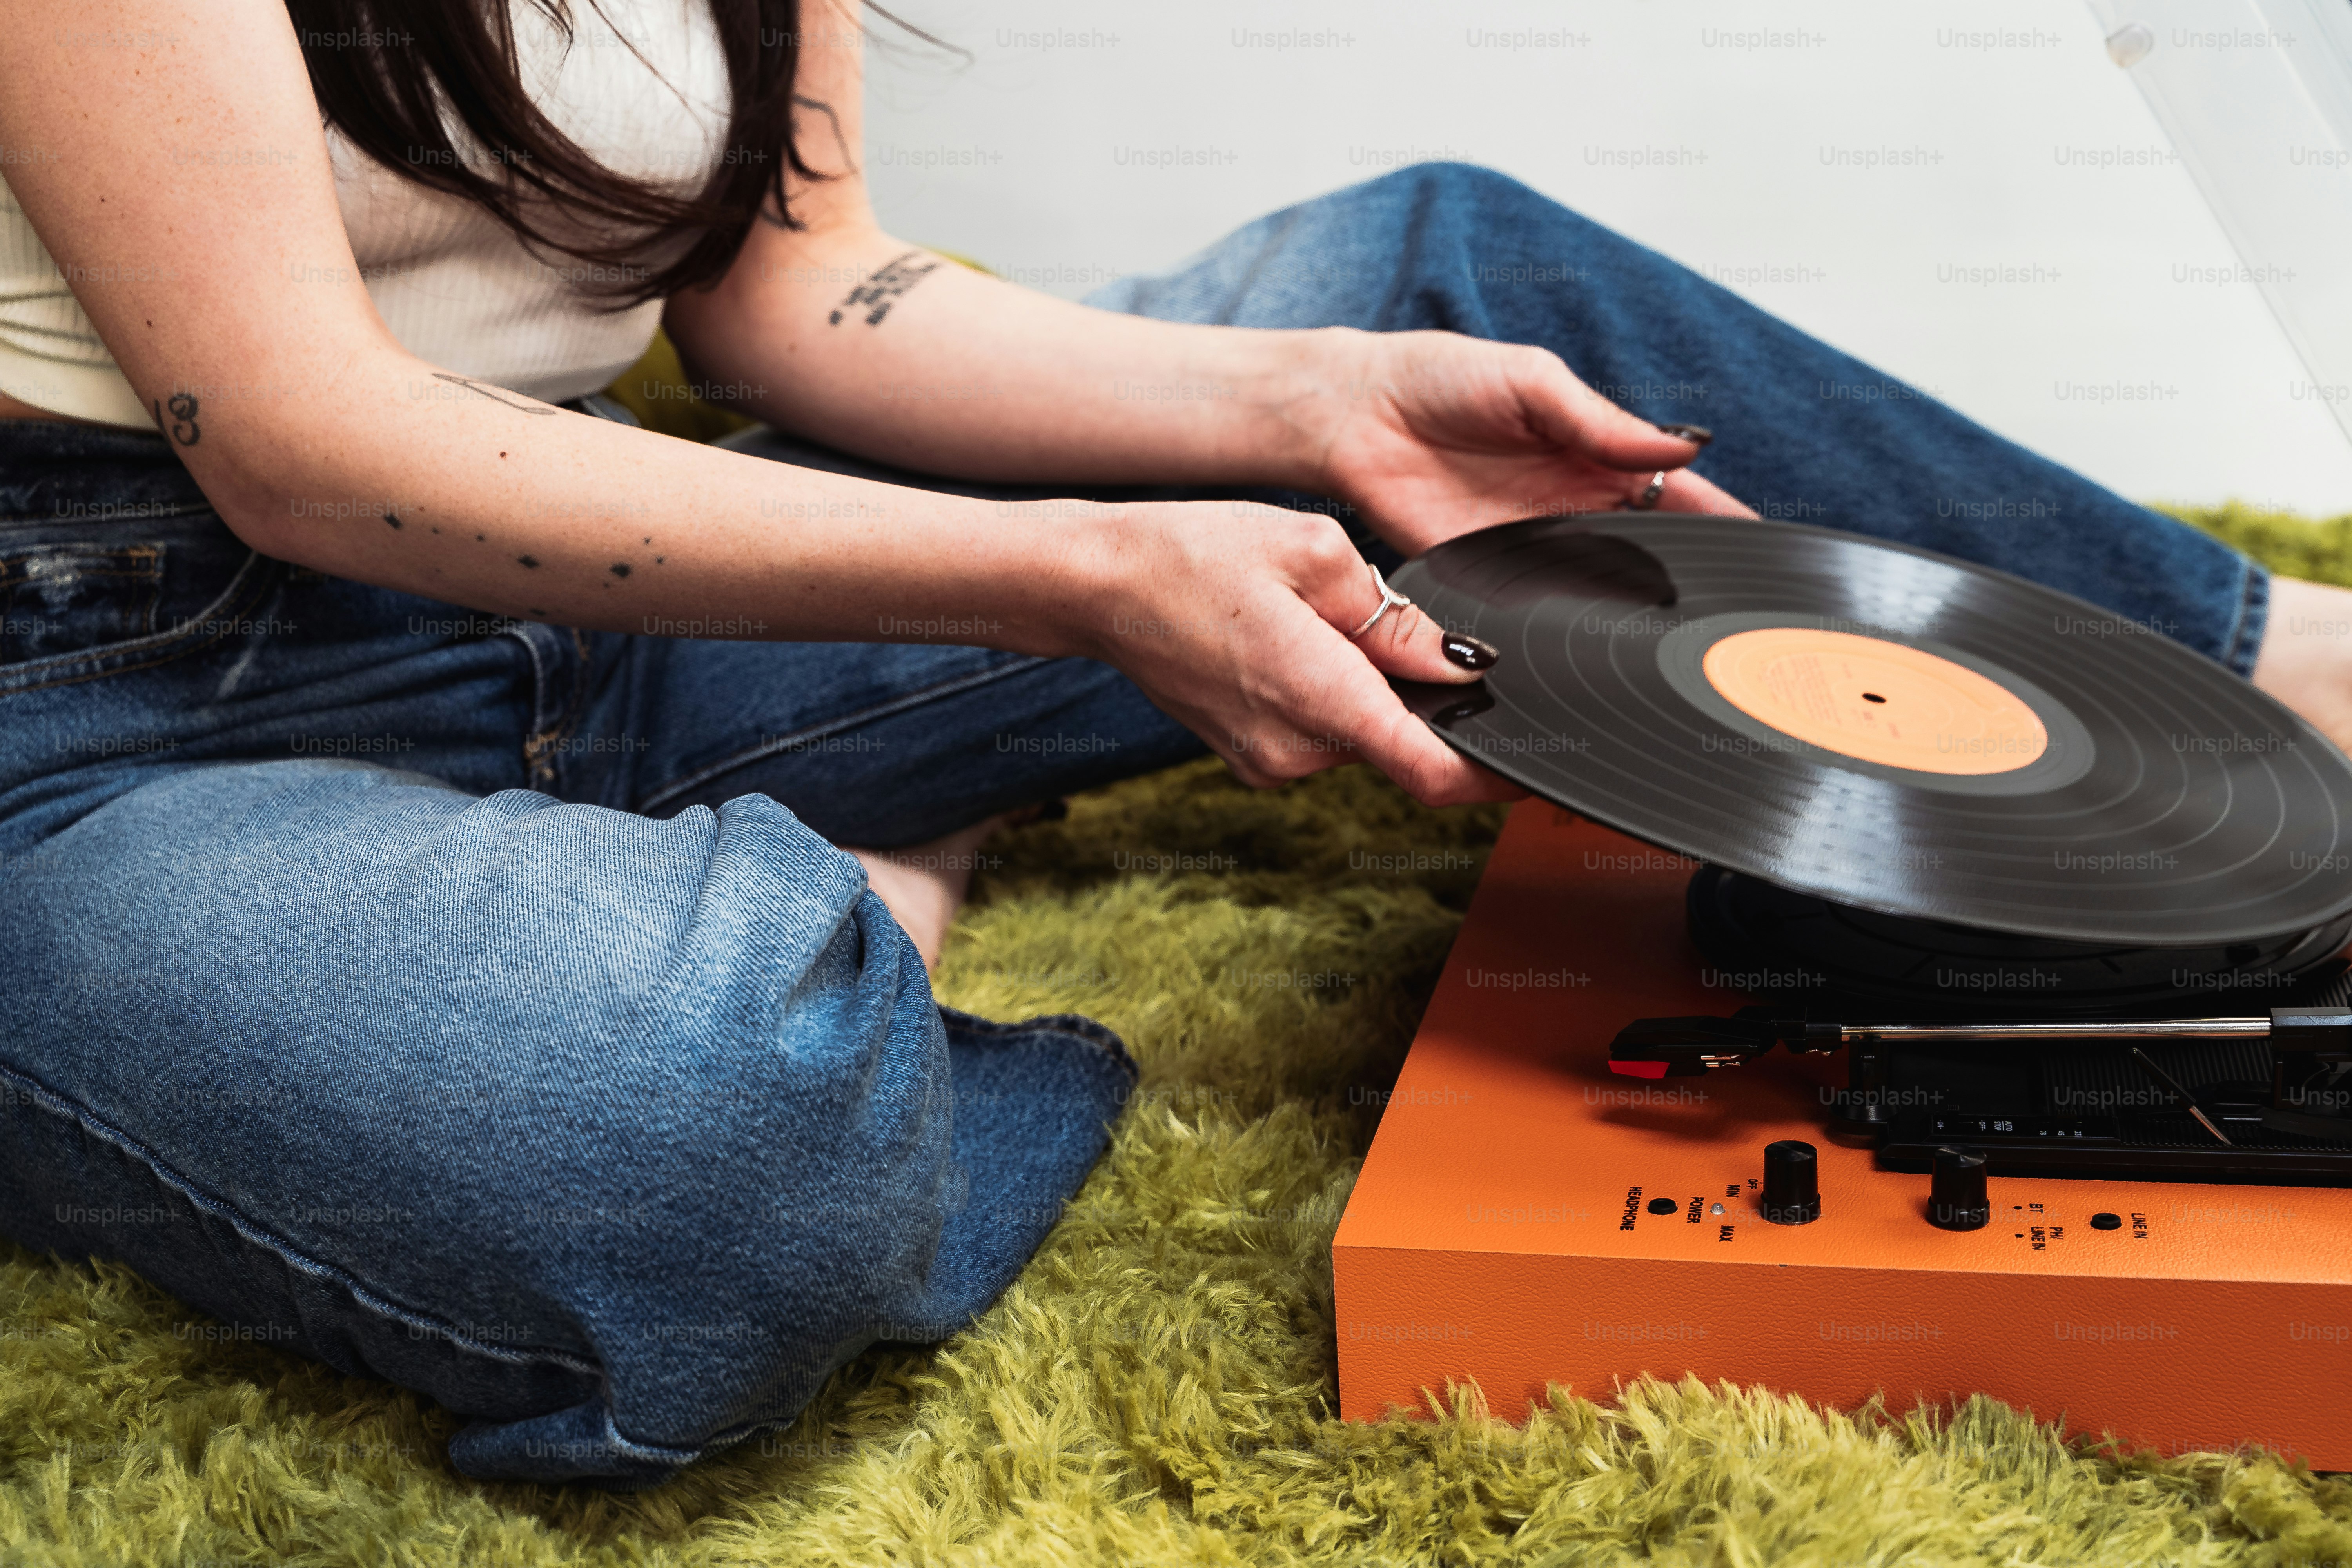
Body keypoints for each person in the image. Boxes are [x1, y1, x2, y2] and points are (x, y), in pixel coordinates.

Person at [1, 0, 2346, 1488]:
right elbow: (300, 442)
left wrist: (1295, 409)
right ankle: (812, 914)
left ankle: (2293, 671)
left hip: (611, 552)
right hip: (110, 693)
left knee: (1435, 281)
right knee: (671, 1135)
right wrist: (1070, 574)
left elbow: (798, 295)